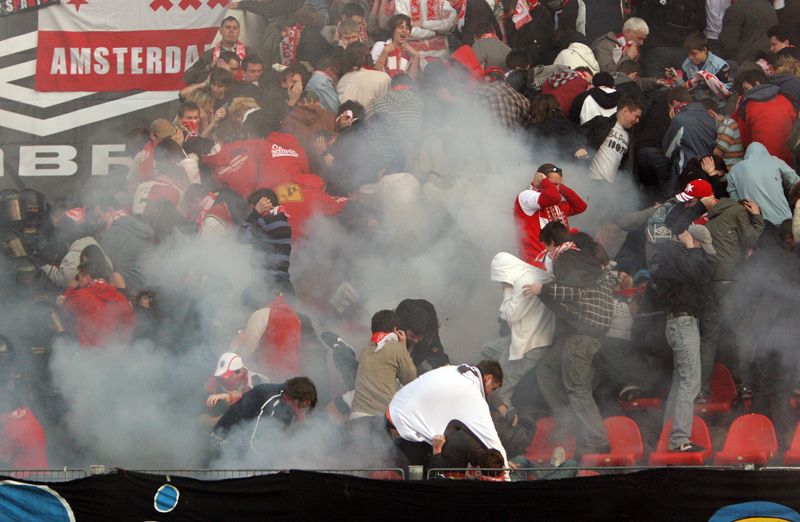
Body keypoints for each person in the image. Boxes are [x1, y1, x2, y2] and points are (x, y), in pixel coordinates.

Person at [528, 231, 616, 456]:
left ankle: (598, 440)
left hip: (581, 333)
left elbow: (573, 292)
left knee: (578, 389)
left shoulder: (571, 259)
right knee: (546, 368)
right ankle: (566, 417)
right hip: (583, 332)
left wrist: (542, 289)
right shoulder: (596, 264)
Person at [651, 224, 715, 452]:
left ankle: (670, 435)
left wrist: (692, 250)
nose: (703, 252)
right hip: (682, 322)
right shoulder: (678, 257)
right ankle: (678, 439)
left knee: (681, 382)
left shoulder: (676, 257)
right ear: (691, 240)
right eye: (701, 246)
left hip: (681, 322)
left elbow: (703, 275)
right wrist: (690, 249)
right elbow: (698, 275)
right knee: (690, 382)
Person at [386, 360, 508, 469]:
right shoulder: (472, 394)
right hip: (407, 430)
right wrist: (505, 472)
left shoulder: (451, 369)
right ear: (488, 378)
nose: (490, 394)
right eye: (493, 388)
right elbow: (492, 441)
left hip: (392, 411)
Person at [483, 252, 555, 413]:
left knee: (501, 387)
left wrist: (507, 290)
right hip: (529, 338)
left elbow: (509, 314)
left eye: (501, 277)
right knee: (488, 349)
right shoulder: (535, 274)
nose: (501, 282)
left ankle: (510, 425)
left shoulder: (524, 281)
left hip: (529, 346)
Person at [349, 310, 416, 422]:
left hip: (356, 416)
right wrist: (403, 347)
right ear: (396, 330)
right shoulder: (396, 348)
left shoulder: (365, 350)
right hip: (380, 419)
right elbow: (410, 380)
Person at [513, 164, 587, 264]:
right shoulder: (526, 195)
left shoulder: (556, 204)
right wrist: (544, 181)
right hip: (534, 264)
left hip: (556, 263)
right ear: (540, 180)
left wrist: (559, 186)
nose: (557, 189)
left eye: (559, 185)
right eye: (553, 184)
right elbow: (553, 197)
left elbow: (580, 206)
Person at [212, 377, 318, 446]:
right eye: (302, 406)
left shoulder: (287, 405)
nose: (303, 412)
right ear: (290, 398)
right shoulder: (268, 397)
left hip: (244, 442)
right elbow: (253, 442)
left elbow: (277, 438)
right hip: (222, 440)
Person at [58, 260, 135, 349]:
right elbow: (130, 325)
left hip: (89, 354)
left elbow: (64, 310)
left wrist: (68, 291)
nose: (78, 282)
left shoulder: (80, 296)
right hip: (116, 352)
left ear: (87, 277)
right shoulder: (121, 297)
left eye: (79, 278)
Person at [725, 142, 800, 227]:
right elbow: (795, 181)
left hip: (756, 223)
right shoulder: (774, 160)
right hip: (783, 219)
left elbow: (735, 201)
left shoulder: (734, 170)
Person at [734, 69, 798, 166]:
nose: (745, 93)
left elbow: (745, 140)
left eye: (746, 89)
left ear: (757, 84)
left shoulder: (748, 107)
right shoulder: (785, 99)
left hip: (763, 164)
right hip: (789, 162)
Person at [662, 87, 717, 186]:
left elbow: (668, 152)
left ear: (674, 103)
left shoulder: (679, 120)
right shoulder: (710, 117)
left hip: (686, 173)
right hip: (709, 170)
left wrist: (673, 123)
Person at [243, 188, 293, 295]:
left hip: (270, 287)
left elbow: (241, 237)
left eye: (253, 207)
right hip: (280, 285)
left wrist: (255, 213)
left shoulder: (266, 221)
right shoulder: (279, 219)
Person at [586, 96, 643, 184]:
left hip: (610, 187)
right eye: (636, 116)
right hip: (590, 179)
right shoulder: (601, 122)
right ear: (625, 111)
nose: (638, 121)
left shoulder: (630, 138)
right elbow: (577, 134)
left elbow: (627, 167)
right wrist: (579, 148)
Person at [202, 352, 269, 426]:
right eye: (222, 377)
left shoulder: (255, 380)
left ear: (240, 372)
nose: (225, 380)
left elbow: (250, 401)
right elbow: (201, 414)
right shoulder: (216, 377)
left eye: (229, 377)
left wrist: (229, 397)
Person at [184, 17, 256, 84]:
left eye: (235, 28)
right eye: (228, 27)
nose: (231, 31)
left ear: (238, 32)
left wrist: (230, 72)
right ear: (220, 31)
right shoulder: (210, 54)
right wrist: (210, 67)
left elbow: (258, 78)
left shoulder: (250, 53)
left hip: (242, 94)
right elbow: (187, 78)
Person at [666, 31, 732, 105]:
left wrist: (710, 82)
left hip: (716, 105)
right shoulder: (686, 64)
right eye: (688, 53)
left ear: (704, 50)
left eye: (694, 53)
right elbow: (685, 87)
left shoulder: (720, 66)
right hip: (695, 104)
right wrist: (677, 78)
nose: (690, 57)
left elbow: (728, 90)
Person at [395, 298, 449, 374]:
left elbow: (436, 350)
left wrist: (444, 366)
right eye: (412, 336)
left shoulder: (430, 331)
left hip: (419, 354)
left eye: (419, 337)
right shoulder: (395, 329)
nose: (415, 341)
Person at [337, 42, 392, 113]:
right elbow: (388, 109)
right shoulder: (383, 78)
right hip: (373, 122)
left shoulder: (342, 81)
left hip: (347, 122)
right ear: (368, 56)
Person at [372, 14, 422, 79]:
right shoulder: (380, 46)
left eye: (407, 28)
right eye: (401, 27)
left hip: (403, 88)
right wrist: (385, 52)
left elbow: (410, 81)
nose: (404, 30)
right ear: (393, 30)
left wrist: (416, 56)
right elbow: (373, 73)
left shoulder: (410, 52)